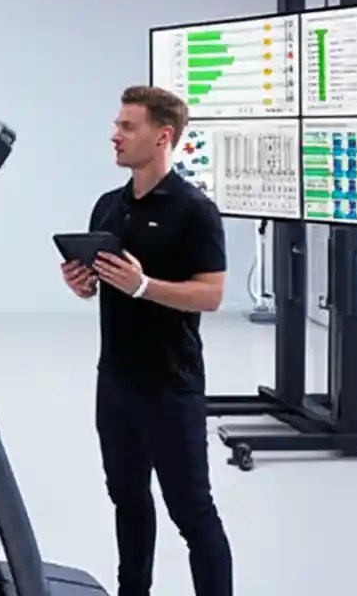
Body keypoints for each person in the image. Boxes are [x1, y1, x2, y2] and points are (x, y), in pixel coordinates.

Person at [61, 85, 233, 596]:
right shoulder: (106, 207)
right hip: (114, 381)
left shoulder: (194, 210)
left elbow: (212, 294)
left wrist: (144, 286)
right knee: (128, 500)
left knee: (193, 515)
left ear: (163, 136)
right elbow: (99, 286)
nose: (115, 135)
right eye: (117, 124)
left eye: (127, 126)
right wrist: (82, 284)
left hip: (169, 385)